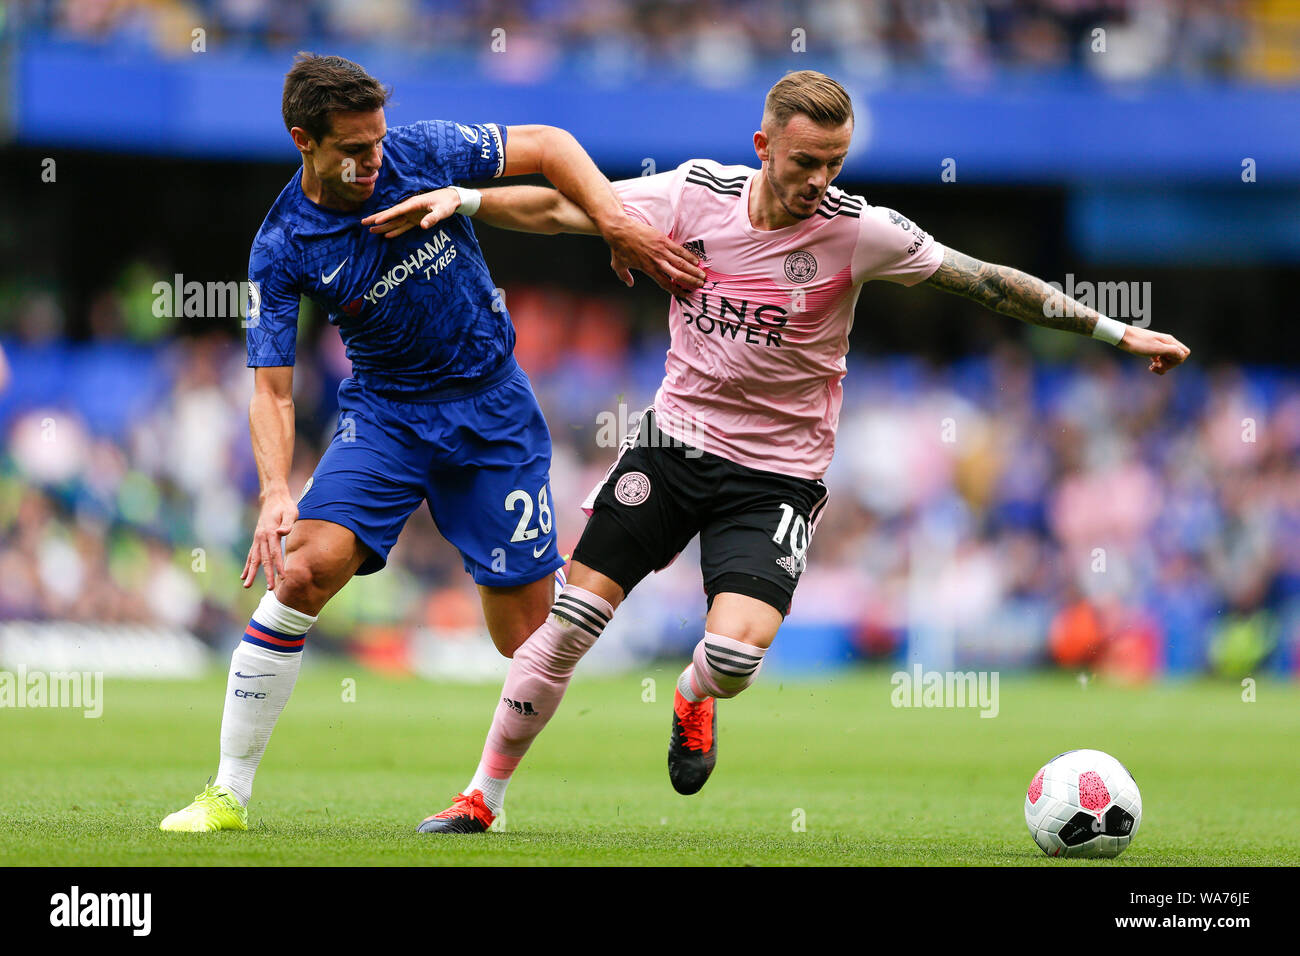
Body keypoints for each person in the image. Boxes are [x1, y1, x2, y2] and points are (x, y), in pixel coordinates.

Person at [364, 69, 1191, 834]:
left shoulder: (863, 231)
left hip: (777, 477)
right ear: (764, 147)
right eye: (805, 161)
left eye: (834, 163)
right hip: (671, 447)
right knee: (573, 620)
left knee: (730, 656)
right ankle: (484, 797)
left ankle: (694, 695)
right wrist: (467, 198)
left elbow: (985, 279)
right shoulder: (694, 195)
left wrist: (1114, 330)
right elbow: (568, 207)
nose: (820, 180)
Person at [159, 53, 704, 833]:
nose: (374, 159)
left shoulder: (421, 153)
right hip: (386, 418)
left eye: (377, 139)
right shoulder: (283, 245)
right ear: (301, 140)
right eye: (353, 146)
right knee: (303, 572)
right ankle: (228, 793)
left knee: (525, 641)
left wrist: (614, 221)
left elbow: (548, 145)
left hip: (493, 413)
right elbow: (271, 388)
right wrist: (276, 491)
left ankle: (491, 796)